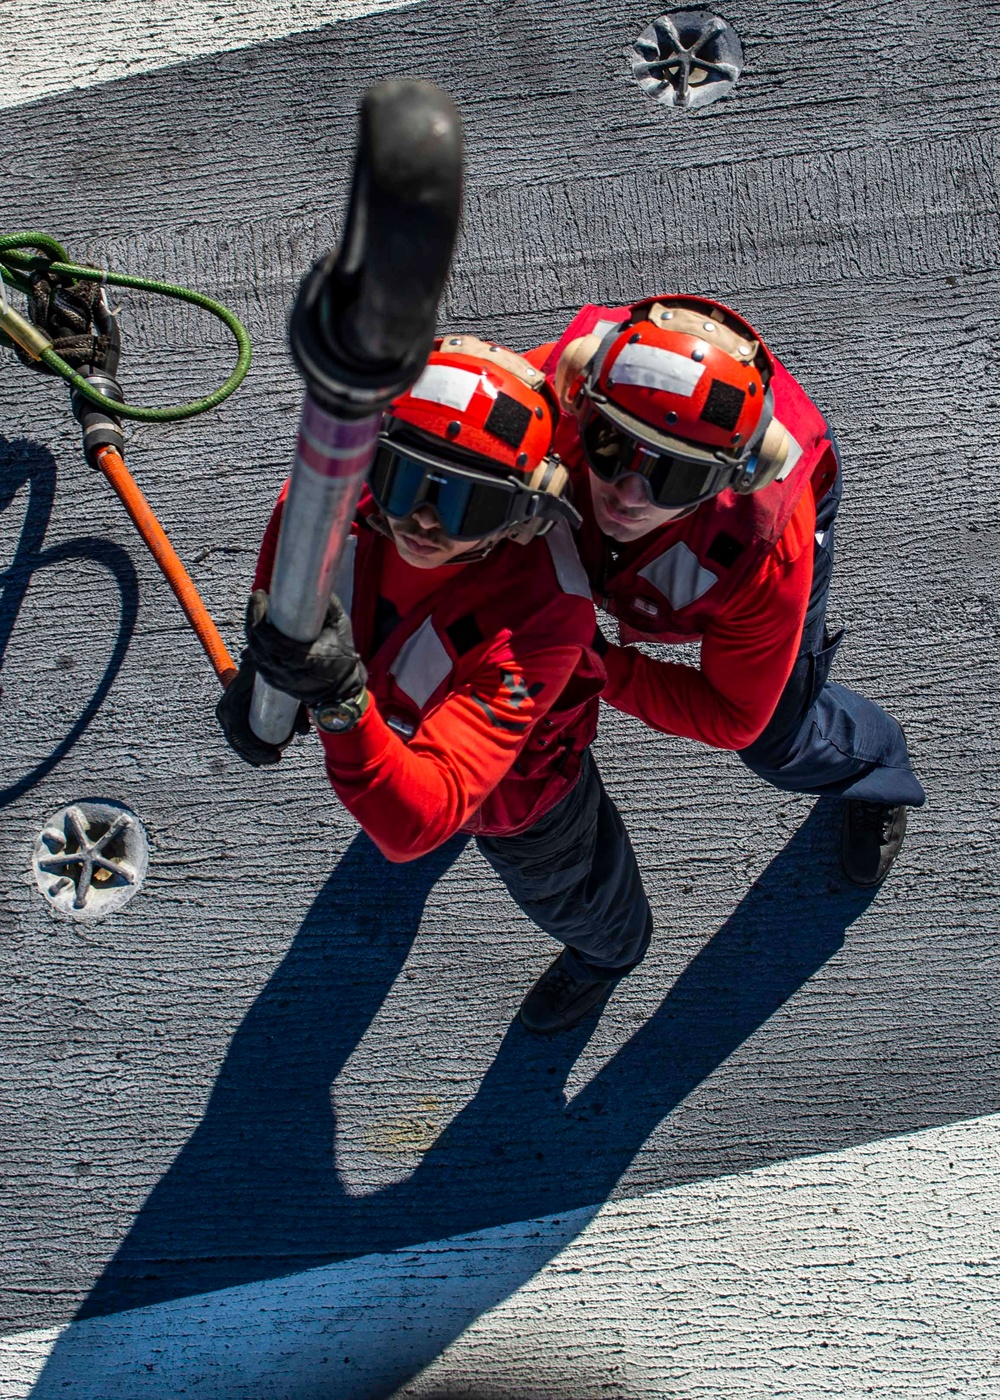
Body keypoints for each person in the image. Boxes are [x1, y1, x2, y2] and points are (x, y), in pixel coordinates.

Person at [217, 336, 653, 1031]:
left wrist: (335, 701)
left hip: (519, 789)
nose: (422, 518)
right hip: (392, 727)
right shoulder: (314, 513)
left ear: (522, 517)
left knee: (572, 891)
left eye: (465, 503)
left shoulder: (546, 618)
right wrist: (272, 679)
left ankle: (609, 955)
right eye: (407, 480)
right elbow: (285, 611)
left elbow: (414, 826)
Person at [527, 296, 925, 886]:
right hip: (640, 562)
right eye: (613, 447)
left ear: (739, 477)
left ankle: (876, 765)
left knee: (776, 737)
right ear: (575, 399)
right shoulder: (522, 410)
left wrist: (592, 658)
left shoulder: (766, 545)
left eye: (679, 475)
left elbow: (733, 714)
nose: (630, 497)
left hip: (746, 560)